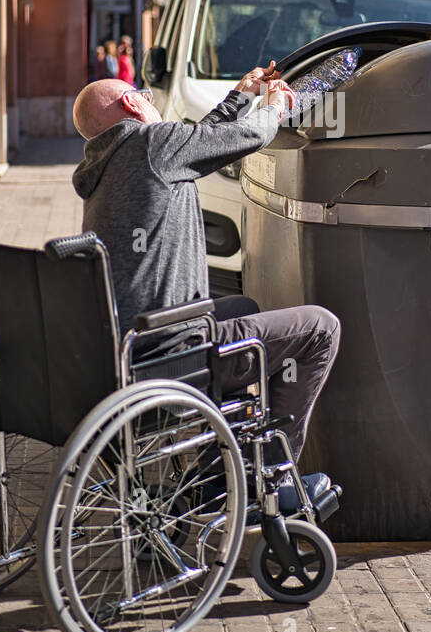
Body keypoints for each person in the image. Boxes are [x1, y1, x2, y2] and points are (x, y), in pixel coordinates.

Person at [71, 63, 340, 505]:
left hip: (129, 355)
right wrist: (274, 107)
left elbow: (203, 145)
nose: (150, 100)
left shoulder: (113, 163)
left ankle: (219, 474)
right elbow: (246, 138)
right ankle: (273, 479)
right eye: (145, 95)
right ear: (132, 103)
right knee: (320, 329)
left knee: (243, 307)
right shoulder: (150, 144)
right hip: (174, 358)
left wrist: (241, 95)